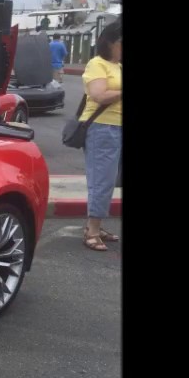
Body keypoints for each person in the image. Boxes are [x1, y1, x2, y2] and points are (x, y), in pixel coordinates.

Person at [80, 21, 122, 251]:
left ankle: (96, 225)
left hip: (117, 126)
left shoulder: (118, 66)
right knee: (102, 180)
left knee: (109, 179)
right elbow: (99, 94)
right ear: (111, 42)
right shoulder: (98, 64)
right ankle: (92, 231)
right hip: (103, 128)